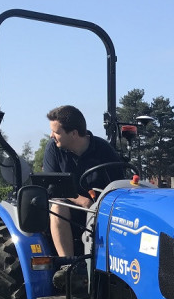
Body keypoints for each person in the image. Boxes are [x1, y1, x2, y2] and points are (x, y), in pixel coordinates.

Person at [43, 105, 125, 257]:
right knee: (57, 207)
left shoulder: (103, 150)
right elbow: (51, 185)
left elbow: (118, 185)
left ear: (74, 133)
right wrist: (81, 201)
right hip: (69, 210)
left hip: (100, 207)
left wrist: (97, 205)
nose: (51, 136)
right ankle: (68, 264)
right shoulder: (53, 148)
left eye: (56, 132)